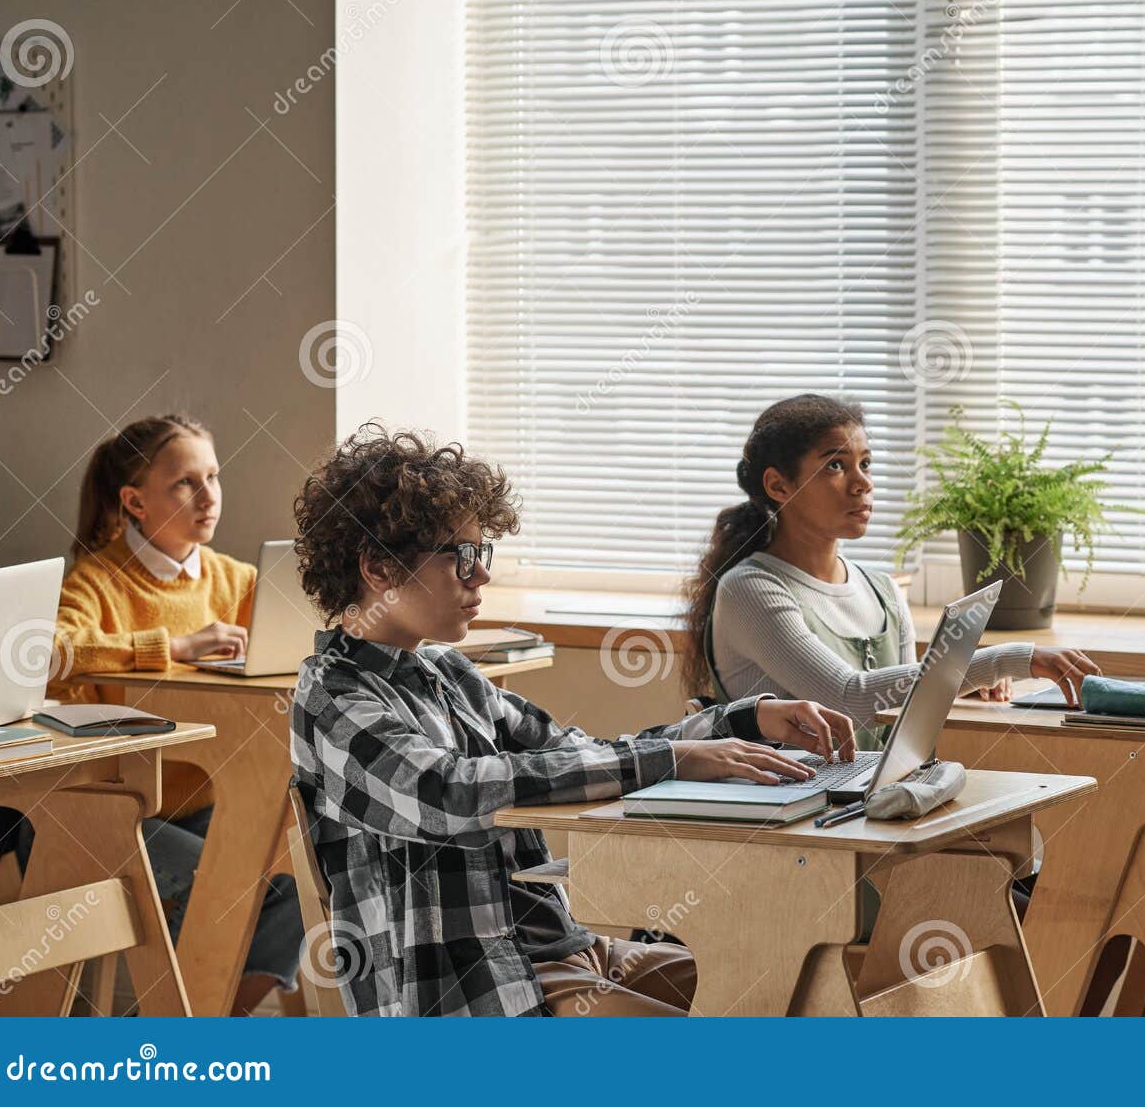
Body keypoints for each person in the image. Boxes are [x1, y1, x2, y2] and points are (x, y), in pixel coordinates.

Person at [288, 423, 857, 1016]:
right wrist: (675, 760)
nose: (481, 574)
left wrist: (742, 723)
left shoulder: (446, 674)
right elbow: (446, 793)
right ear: (379, 569)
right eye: (461, 557)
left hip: (571, 951)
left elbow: (580, 751)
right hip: (481, 990)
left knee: (796, 985)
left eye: (481, 554)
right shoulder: (332, 698)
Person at [48, 413, 304, 1013]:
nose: (209, 497)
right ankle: (170, 1042)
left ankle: (188, 1035)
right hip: (113, 807)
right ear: (134, 501)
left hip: (207, 804)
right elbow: (52, 652)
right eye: (185, 483)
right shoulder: (96, 580)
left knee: (300, 878)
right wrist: (174, 646)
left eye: (214, 477)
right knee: (232, 887)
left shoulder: (235, 578)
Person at [682, 393, 1100, 744]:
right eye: (835, 465)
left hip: (868, 803)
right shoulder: (749, 589)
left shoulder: (882, 589)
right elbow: (850, 698)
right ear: (779, 486)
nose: (861, 482)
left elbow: (898, 712)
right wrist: (1005, 660)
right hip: (788, 814)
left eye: (866, 463)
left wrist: (960, 685)